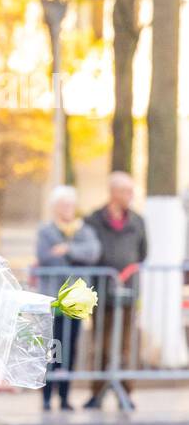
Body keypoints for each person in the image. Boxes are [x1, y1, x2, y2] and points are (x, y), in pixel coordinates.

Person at [83, 171, 148, 410]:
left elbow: (143, 253)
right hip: (101, 292)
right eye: (126, 191)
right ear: (113, 192)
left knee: (126, 346)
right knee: (100, 344)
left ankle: (126, 392)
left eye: (131, 191)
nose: (130, 196)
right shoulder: (94, 220)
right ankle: (97, 392)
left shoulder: (137, 221)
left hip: (129, 292)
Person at [35, 185, 101, 412]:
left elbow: (93, 252)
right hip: (53, 300)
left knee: (70, 348)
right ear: (54, 208)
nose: (68, 209)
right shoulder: (46, 231)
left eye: (71, 205)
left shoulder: (84, 230)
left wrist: (67, 250)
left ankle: (64, 397)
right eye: (63, 205)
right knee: (52, 349)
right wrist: (72, 255)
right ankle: (46, 397)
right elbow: (45, 257)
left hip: (74, 301)